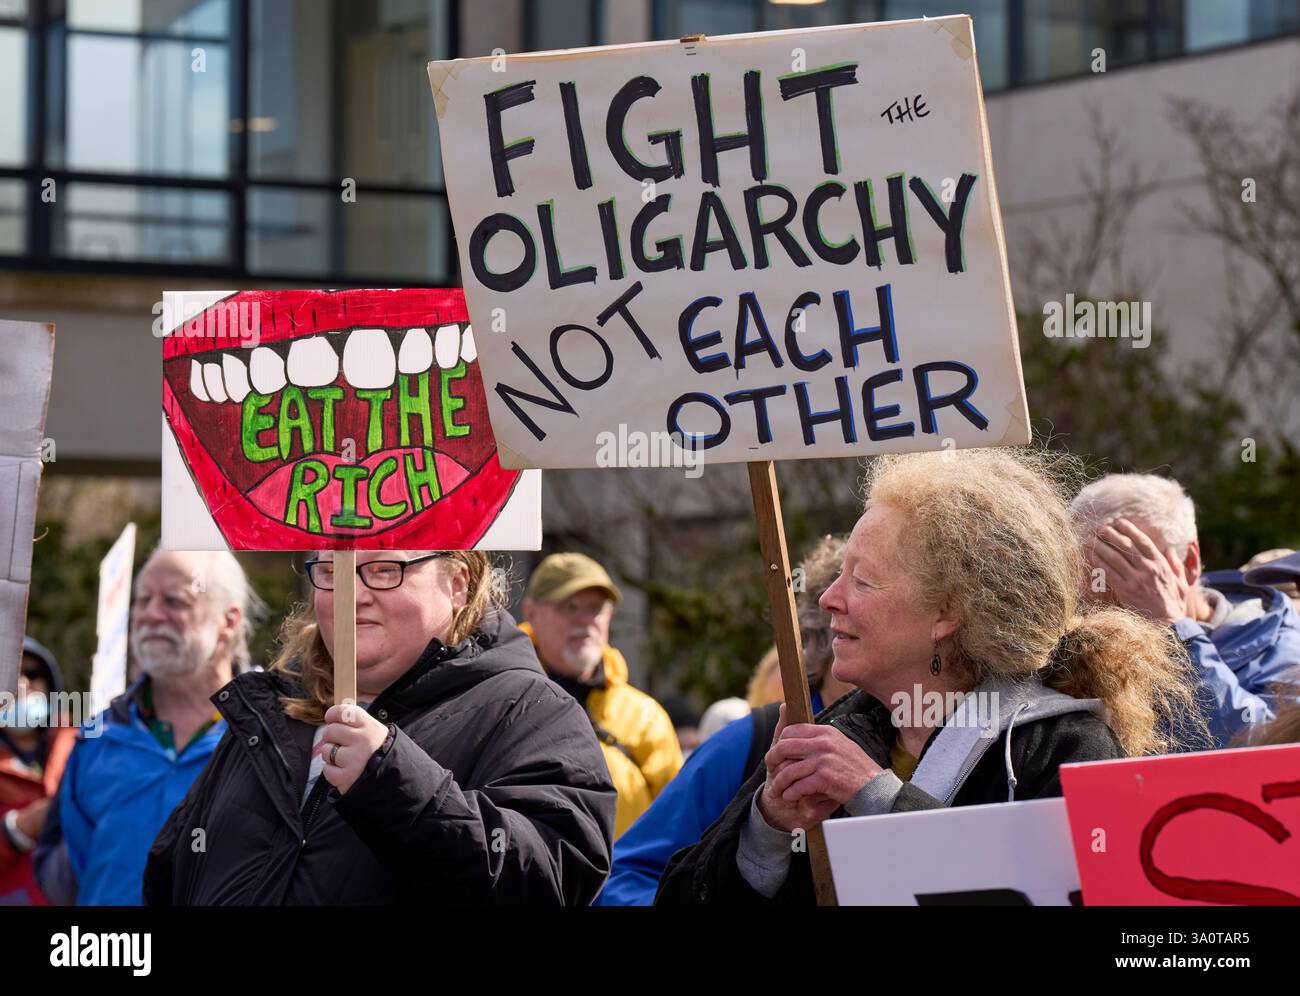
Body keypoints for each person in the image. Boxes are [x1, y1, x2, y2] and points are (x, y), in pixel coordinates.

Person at [657, 449, 1203, 906]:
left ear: (947, 612)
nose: (829, 599)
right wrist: (768, 828)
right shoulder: (836, 730)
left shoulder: (1063, 748)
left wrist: (876, 798)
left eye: (863, 581)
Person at [144, 550, 615, 906]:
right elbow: (174, 870)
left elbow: (553, 878)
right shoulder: (271, 711)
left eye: (386, 569)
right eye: (331, 570)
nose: (353, 593)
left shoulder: (529, 710)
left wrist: (390, 781)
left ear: (457, 583)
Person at [598, 534, 854, 906]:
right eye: (858, 590)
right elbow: (628, 876)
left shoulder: (941, 736)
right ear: (825, 628)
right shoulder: (750, 741)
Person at [33, 549, 260, 905]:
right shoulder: (96, 738)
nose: (151, 614)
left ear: (228, 621)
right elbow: (62, 872)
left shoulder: (278, 738)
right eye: (143, 600)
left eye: (175, 601)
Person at [1071, 474, 1300, 747]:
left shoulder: (1281, 642)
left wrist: (1177, 635)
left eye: (1124, 570)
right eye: (1084, 579)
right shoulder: (1073, 641)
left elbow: (1263, 752)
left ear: (1189, 562)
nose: (1102, 613)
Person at [520, 552, 682, 838]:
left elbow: (678, 825)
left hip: (624, 881)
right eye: (569, 606)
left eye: (595, 607)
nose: (584, 620)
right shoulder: (506, 701)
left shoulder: (646, 717)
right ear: (531, 613)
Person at [0, 638, 76, 904]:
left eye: (33, 674)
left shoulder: (85, 747)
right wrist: (15, 829)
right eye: (9, 674)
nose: (21, 684)